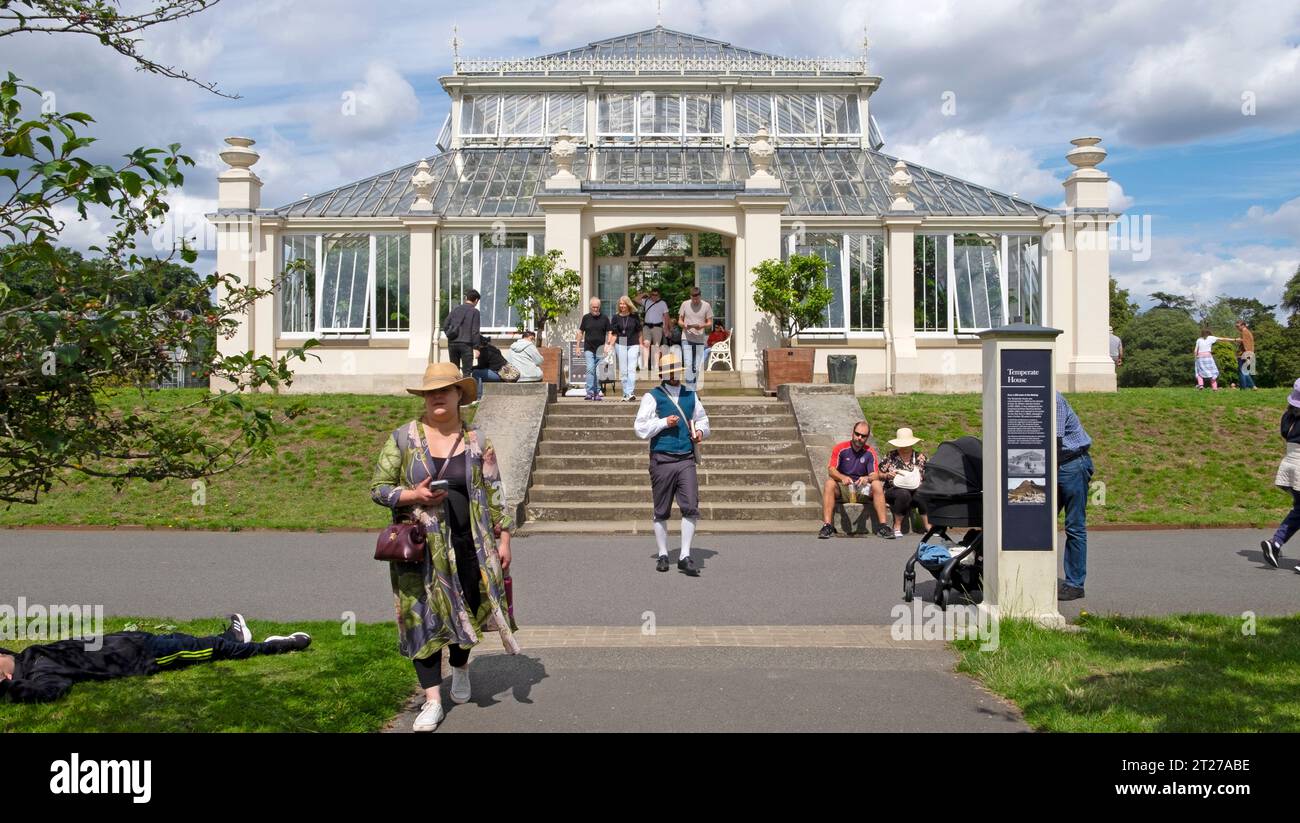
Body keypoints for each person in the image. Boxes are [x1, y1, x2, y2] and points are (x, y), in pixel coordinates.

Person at [370, 362, 517, 732]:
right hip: (418, 553)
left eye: (445, 390)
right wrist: (411, 494)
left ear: (458, 396)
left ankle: (460, 666)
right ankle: (433, 700)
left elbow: (496, 492)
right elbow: (379, 488)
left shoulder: (477, 441)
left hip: (469, 546)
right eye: (431, 392)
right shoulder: (403, 438)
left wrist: (504, 538)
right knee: (421, 619)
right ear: (424, 398)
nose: (437, 397)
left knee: (467, 611)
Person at [0, 614, 310, 703]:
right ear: (6, 678)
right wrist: (13, 691)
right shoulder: (41, 671)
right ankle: (279, 646)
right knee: (209, 649)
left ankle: (236, 636)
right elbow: (51, 690)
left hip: (130, 641)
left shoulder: (29, 655)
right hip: (140, 657)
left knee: (187, 641)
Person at [634, 352, 710, 576]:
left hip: (686, 457)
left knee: (690, 506)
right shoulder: (652, 396)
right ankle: (663, 553)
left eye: (676, 371)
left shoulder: (691, 394)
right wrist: (663, 423)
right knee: (661, 509)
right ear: (663, 375)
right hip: (662, 457)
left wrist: (699, 432)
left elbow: (703, 419)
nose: (674, 375)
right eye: (670, 372)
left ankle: (685, 555)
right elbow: (639, 427)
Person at [818, 422, 893, 539]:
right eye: (857, 434)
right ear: (852, 433)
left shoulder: (870, 452)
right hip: (844, 488)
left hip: (862, 489)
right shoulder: (840, 448)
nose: (859, 438)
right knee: (829, 483)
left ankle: (883, 526)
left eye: (863, 436)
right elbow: (831, 470)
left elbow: (874, 474)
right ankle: (827, 526)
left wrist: (867, 478)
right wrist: (842, 477)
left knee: (877, 484)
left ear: (867, 437)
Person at [1057, 392, 1094, 601]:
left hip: (1072, 464)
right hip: (1056, 465)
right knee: (1036, 522)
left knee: (1074, 526)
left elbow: (1054, 440)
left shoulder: (1054, 400)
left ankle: (1075, 584)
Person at [1260, 379, 1300, 570]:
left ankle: (1275, 543)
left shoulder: (1287, 417)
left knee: (1299, 511)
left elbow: (1285, 435)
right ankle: (1276, 542)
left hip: (1289, 466)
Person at [879, 427, 931, 538]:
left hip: (915, 490)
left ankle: (928, 526)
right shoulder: (890, 456)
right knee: (903, 494)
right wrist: (887, 475)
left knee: (922, 493)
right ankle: (897, 526)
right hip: (893, 490)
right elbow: (878, 474)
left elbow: (929, 476)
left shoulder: (920, 457)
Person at [577, 297, 614, 401]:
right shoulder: (586, 318)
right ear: (590, 307)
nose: (595, 309)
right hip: (589, 348)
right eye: (593, 307)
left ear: (599, 307)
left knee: (598, 372)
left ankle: (597, 392)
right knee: (590, 369)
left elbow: (610, 332)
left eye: (597, 307)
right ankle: (589, 392)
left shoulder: (604, 318)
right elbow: (580, 332)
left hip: (600, 350)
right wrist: (578, 346)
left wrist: (608, 344)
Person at [679, 287, 713, 390]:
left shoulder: (706, 306)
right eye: (693, 299)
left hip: (699, 339)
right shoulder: (685, 304)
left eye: (697, 299)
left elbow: (710, 323)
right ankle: (691, 390)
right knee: (689, 364)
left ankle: (692, 389)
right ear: (690, 297)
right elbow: (679, 321)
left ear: (700, 296)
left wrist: (701, 326)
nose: (695, 301)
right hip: (686, 338)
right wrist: (684, 325)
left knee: (696, 366)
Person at [610, 295, 643, 402]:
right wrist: (609, 345)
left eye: (624, 303)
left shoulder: (634, 316)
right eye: (620, 303)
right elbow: (613, 333)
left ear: (628, 304)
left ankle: (630, 392)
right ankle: (625, 393)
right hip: (621, 343)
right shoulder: (615, 317)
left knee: (631, 369)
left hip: (633, 342)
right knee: (624, 370)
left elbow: (639, 331)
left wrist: (641, 344)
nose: (622, 305)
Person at [443, 290, 481, 378]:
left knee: (454, 372)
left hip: (452, 344)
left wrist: (450, 335)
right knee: (467, 373)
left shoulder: (455, 309)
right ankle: (465, 391)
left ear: (466, 298)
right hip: (466, 344)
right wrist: (477, 348)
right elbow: (475, 331)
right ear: (476, 300)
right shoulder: (475, 312)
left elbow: (445, 325)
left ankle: (455, 391)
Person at [1193, 327, 1240, 391]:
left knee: (1199, 372)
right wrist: (1235, 339)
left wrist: (1196, 358)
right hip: (1208, 356)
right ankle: (1214, 387)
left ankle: (1201, 385)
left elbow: (1195, 350)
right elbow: (1223, 339)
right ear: (1209, 333)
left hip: (1200, 357)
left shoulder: (1199, 339)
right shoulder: (1211, 338)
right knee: (1213, 371)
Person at [639, 288, 670, 363]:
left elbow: (666, 316)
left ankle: (656, 365)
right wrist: (644, 294)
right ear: (650, 294)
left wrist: (666, 328)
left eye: (656, 295)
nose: (654, 296)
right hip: (646, 326)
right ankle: (645, 365)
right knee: (646, 344)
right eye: (652, 294)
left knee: (656, 346)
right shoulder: (646, 301)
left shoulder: (662, 303)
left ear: (659, 295)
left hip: (657, 327)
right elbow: (635, 299)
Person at [1235, 320, 1257, 390]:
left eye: (1238, 326)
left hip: (1243, 354)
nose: (1237, 328)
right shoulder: (1247, 332)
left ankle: (1245, 387)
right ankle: (1251, 386)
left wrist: (1247, 357)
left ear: (1243, 325)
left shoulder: (1244, 332)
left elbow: (1246, 345)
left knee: (1242, 371)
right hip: (1247, 353)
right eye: (1236, 326)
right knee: (1244, 371)